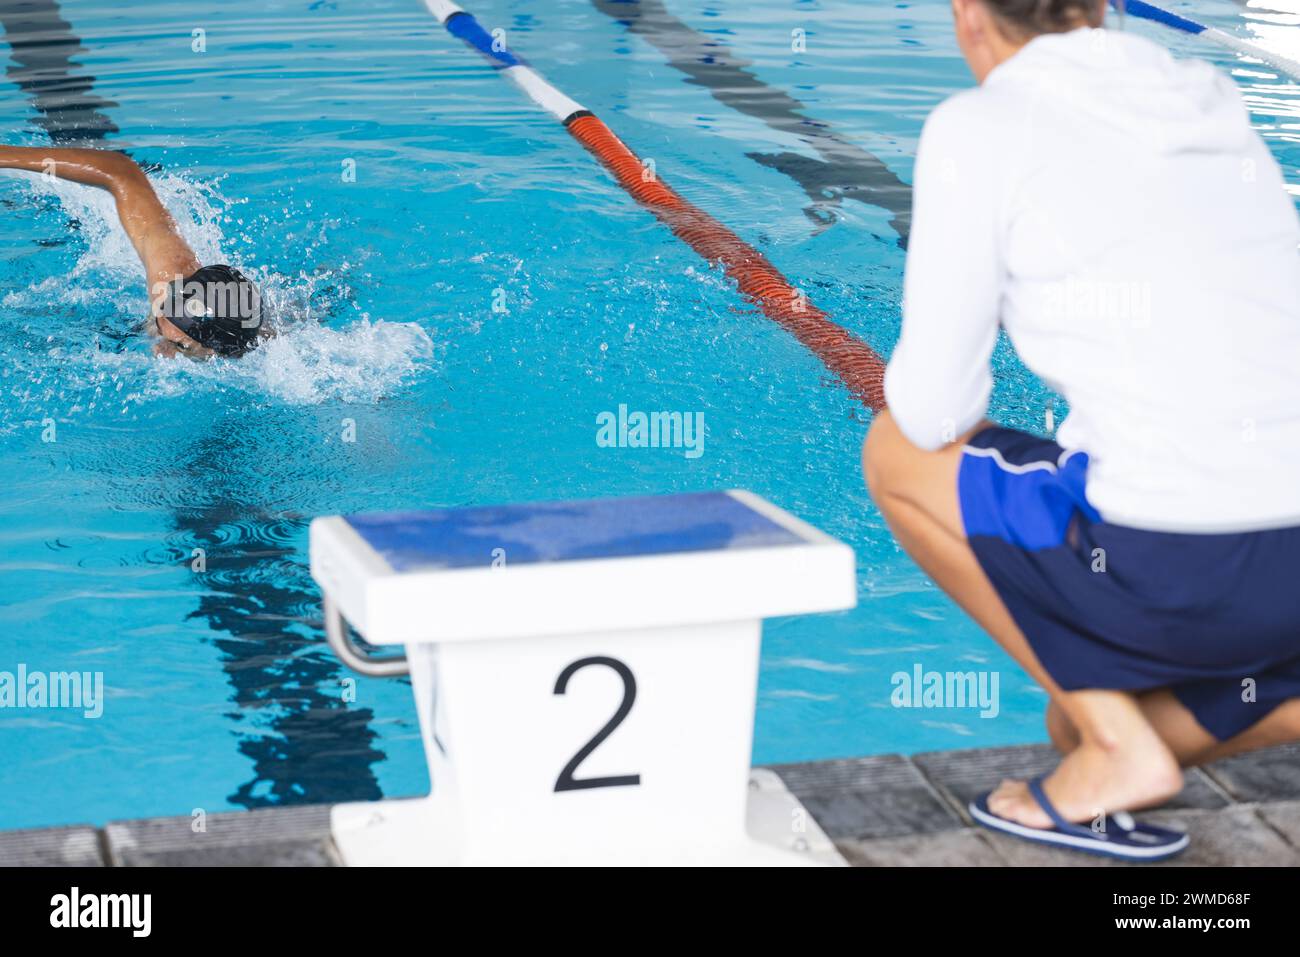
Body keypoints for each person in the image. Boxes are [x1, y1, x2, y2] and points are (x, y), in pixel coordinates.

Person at [864, 0, 1300, 859]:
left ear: (966, 14)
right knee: (1065, 719)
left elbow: (930, 411)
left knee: (894, 450)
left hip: (1182, 567)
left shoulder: (978, 127)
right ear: (1104, 11)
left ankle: (1117, 748)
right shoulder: (1210, 93)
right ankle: (1127, 731)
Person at [0, 145, 263, 357]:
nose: (161, 351)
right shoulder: (170, 275)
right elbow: (120, 172)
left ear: (219, 354)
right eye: (162, 320)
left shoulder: (243, 350)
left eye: (182, 347)